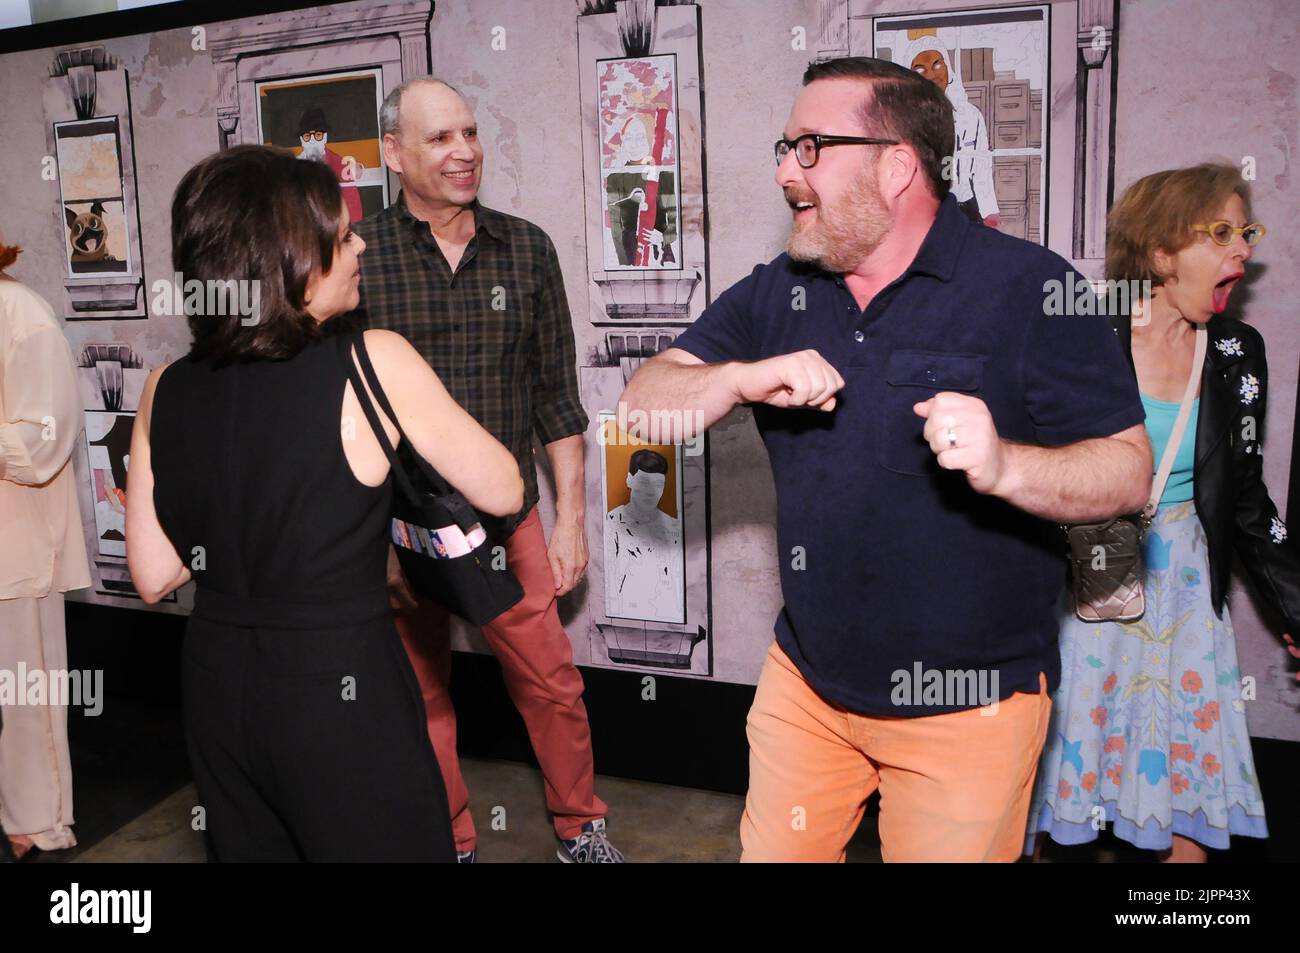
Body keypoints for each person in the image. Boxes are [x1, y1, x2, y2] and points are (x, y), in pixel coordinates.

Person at [619, 56, 1151, 862]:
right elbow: (638, 409)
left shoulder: (1033, 287)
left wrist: (1006, 465)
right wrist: (736, 376)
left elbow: (1126, 472)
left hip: (969, 711)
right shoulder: (779, 293)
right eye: (781, 146)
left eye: (808, 147)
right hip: (807, 689)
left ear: (897, 165)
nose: (782, 171)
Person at [125, 144, 523, 862]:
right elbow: (505, 486)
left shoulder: (164, 386)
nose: (362, 243)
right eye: (342, 237)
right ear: (295, 262)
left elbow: (154, 573)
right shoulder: (371, 360)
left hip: (217, 687)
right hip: (339, 685)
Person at [347, 77, 623, 863]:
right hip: (399, 525)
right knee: (422, 694)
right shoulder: (360, 257)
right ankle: (453, 840)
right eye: (440, 138)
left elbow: (556, 400)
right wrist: (372, 546)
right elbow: (343, 409)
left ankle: (581, 828)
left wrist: (571, 516)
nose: (464, 151)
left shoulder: (527, 247)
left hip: (509, 523)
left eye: (469, 132)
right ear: (394, 154)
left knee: (552, 683)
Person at [1027, 163, 1300, 862]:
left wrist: (1296, 609)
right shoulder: (1082, 332)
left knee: (1184, 786)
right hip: (1086, 576)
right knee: (1066, 784)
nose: (1241, 248)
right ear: (1158, 252)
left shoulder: (1240, 354)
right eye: (1220, 233)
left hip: (1182, 590)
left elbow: (1244, 496)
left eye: (1245, 232)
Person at [0, 236, 91, 861]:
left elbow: (44, 440)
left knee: (25, 693)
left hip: (17, 542)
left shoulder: (23, 317)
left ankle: (38, 822)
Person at [905, 38, 999, 228]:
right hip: (925, 210)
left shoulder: (971, 116)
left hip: (966, 207)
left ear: (948, 68)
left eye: (937, 64)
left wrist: (989, 211)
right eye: (921, 70)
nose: (931, 75)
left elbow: (981, 165)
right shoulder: (905, 118)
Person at [604, 449, 683, 620]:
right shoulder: (612, 521)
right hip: (623, 613)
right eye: (644, 483)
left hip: (665, 615)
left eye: (658, 486)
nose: (650, 493)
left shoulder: (673, 526)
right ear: (629, 480)